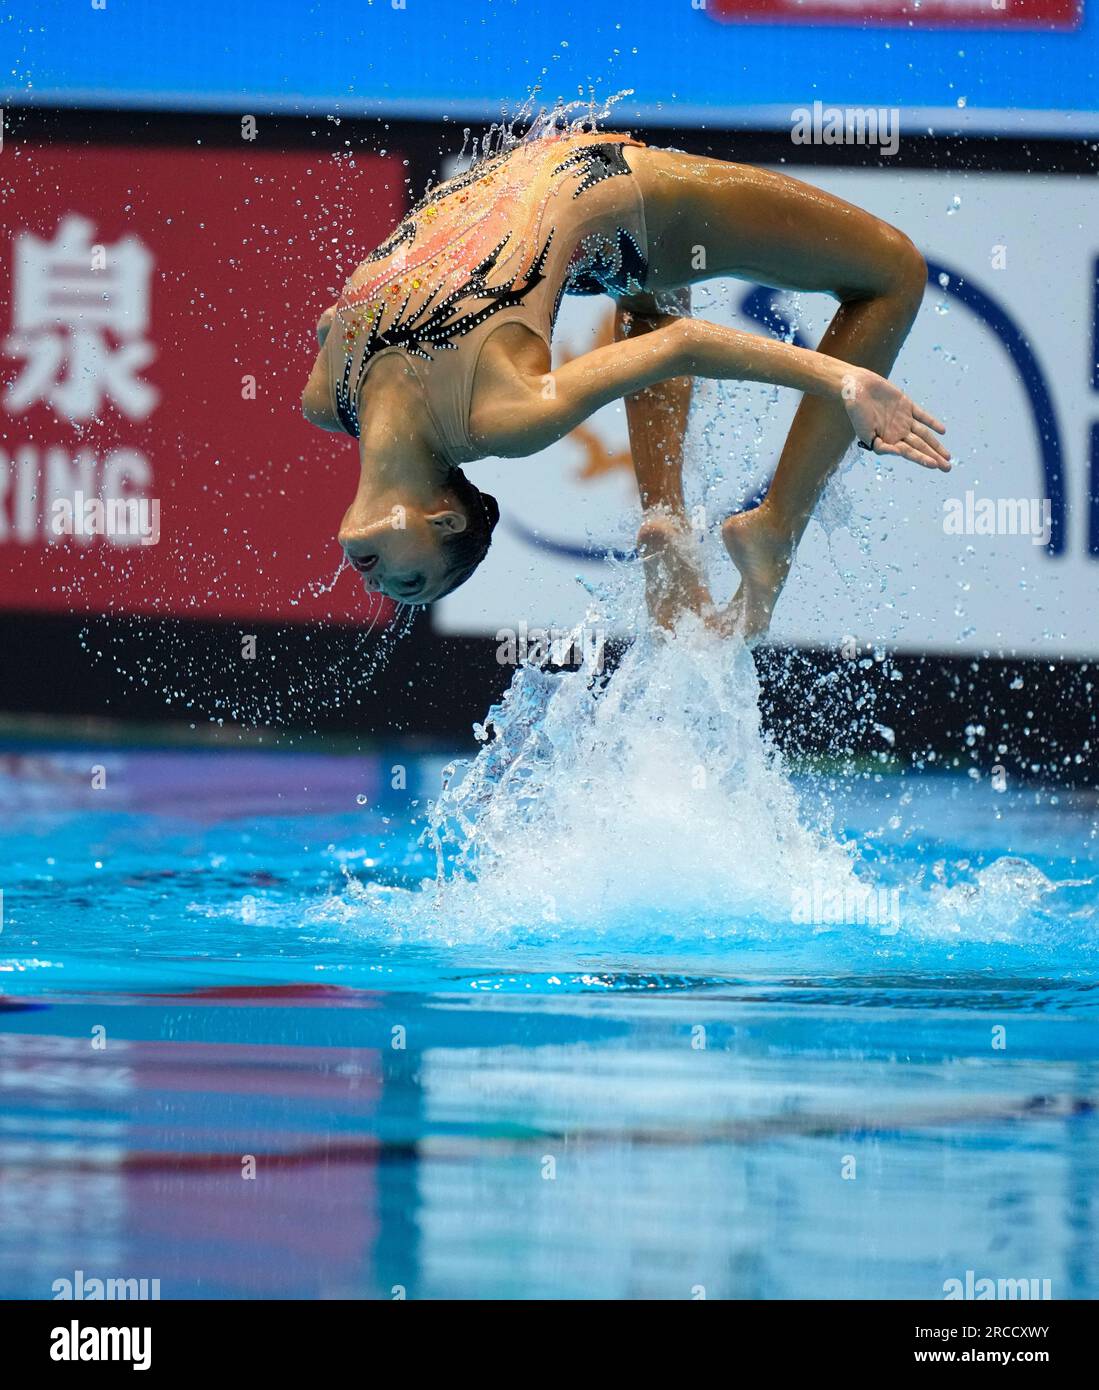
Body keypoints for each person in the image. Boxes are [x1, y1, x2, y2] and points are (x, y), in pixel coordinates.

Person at [302, 127, 949, 632]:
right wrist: (843, 380)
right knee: (893, 274)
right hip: (617, 197)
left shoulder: (328, 398)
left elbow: (337, 319)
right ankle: (771, 528)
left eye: (405, 588)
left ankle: (666, 515)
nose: (376, 587)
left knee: (643, 287)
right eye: (406, 583)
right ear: (441, 520)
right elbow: (682, 346)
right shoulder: (489, 415)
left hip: (586, 212)